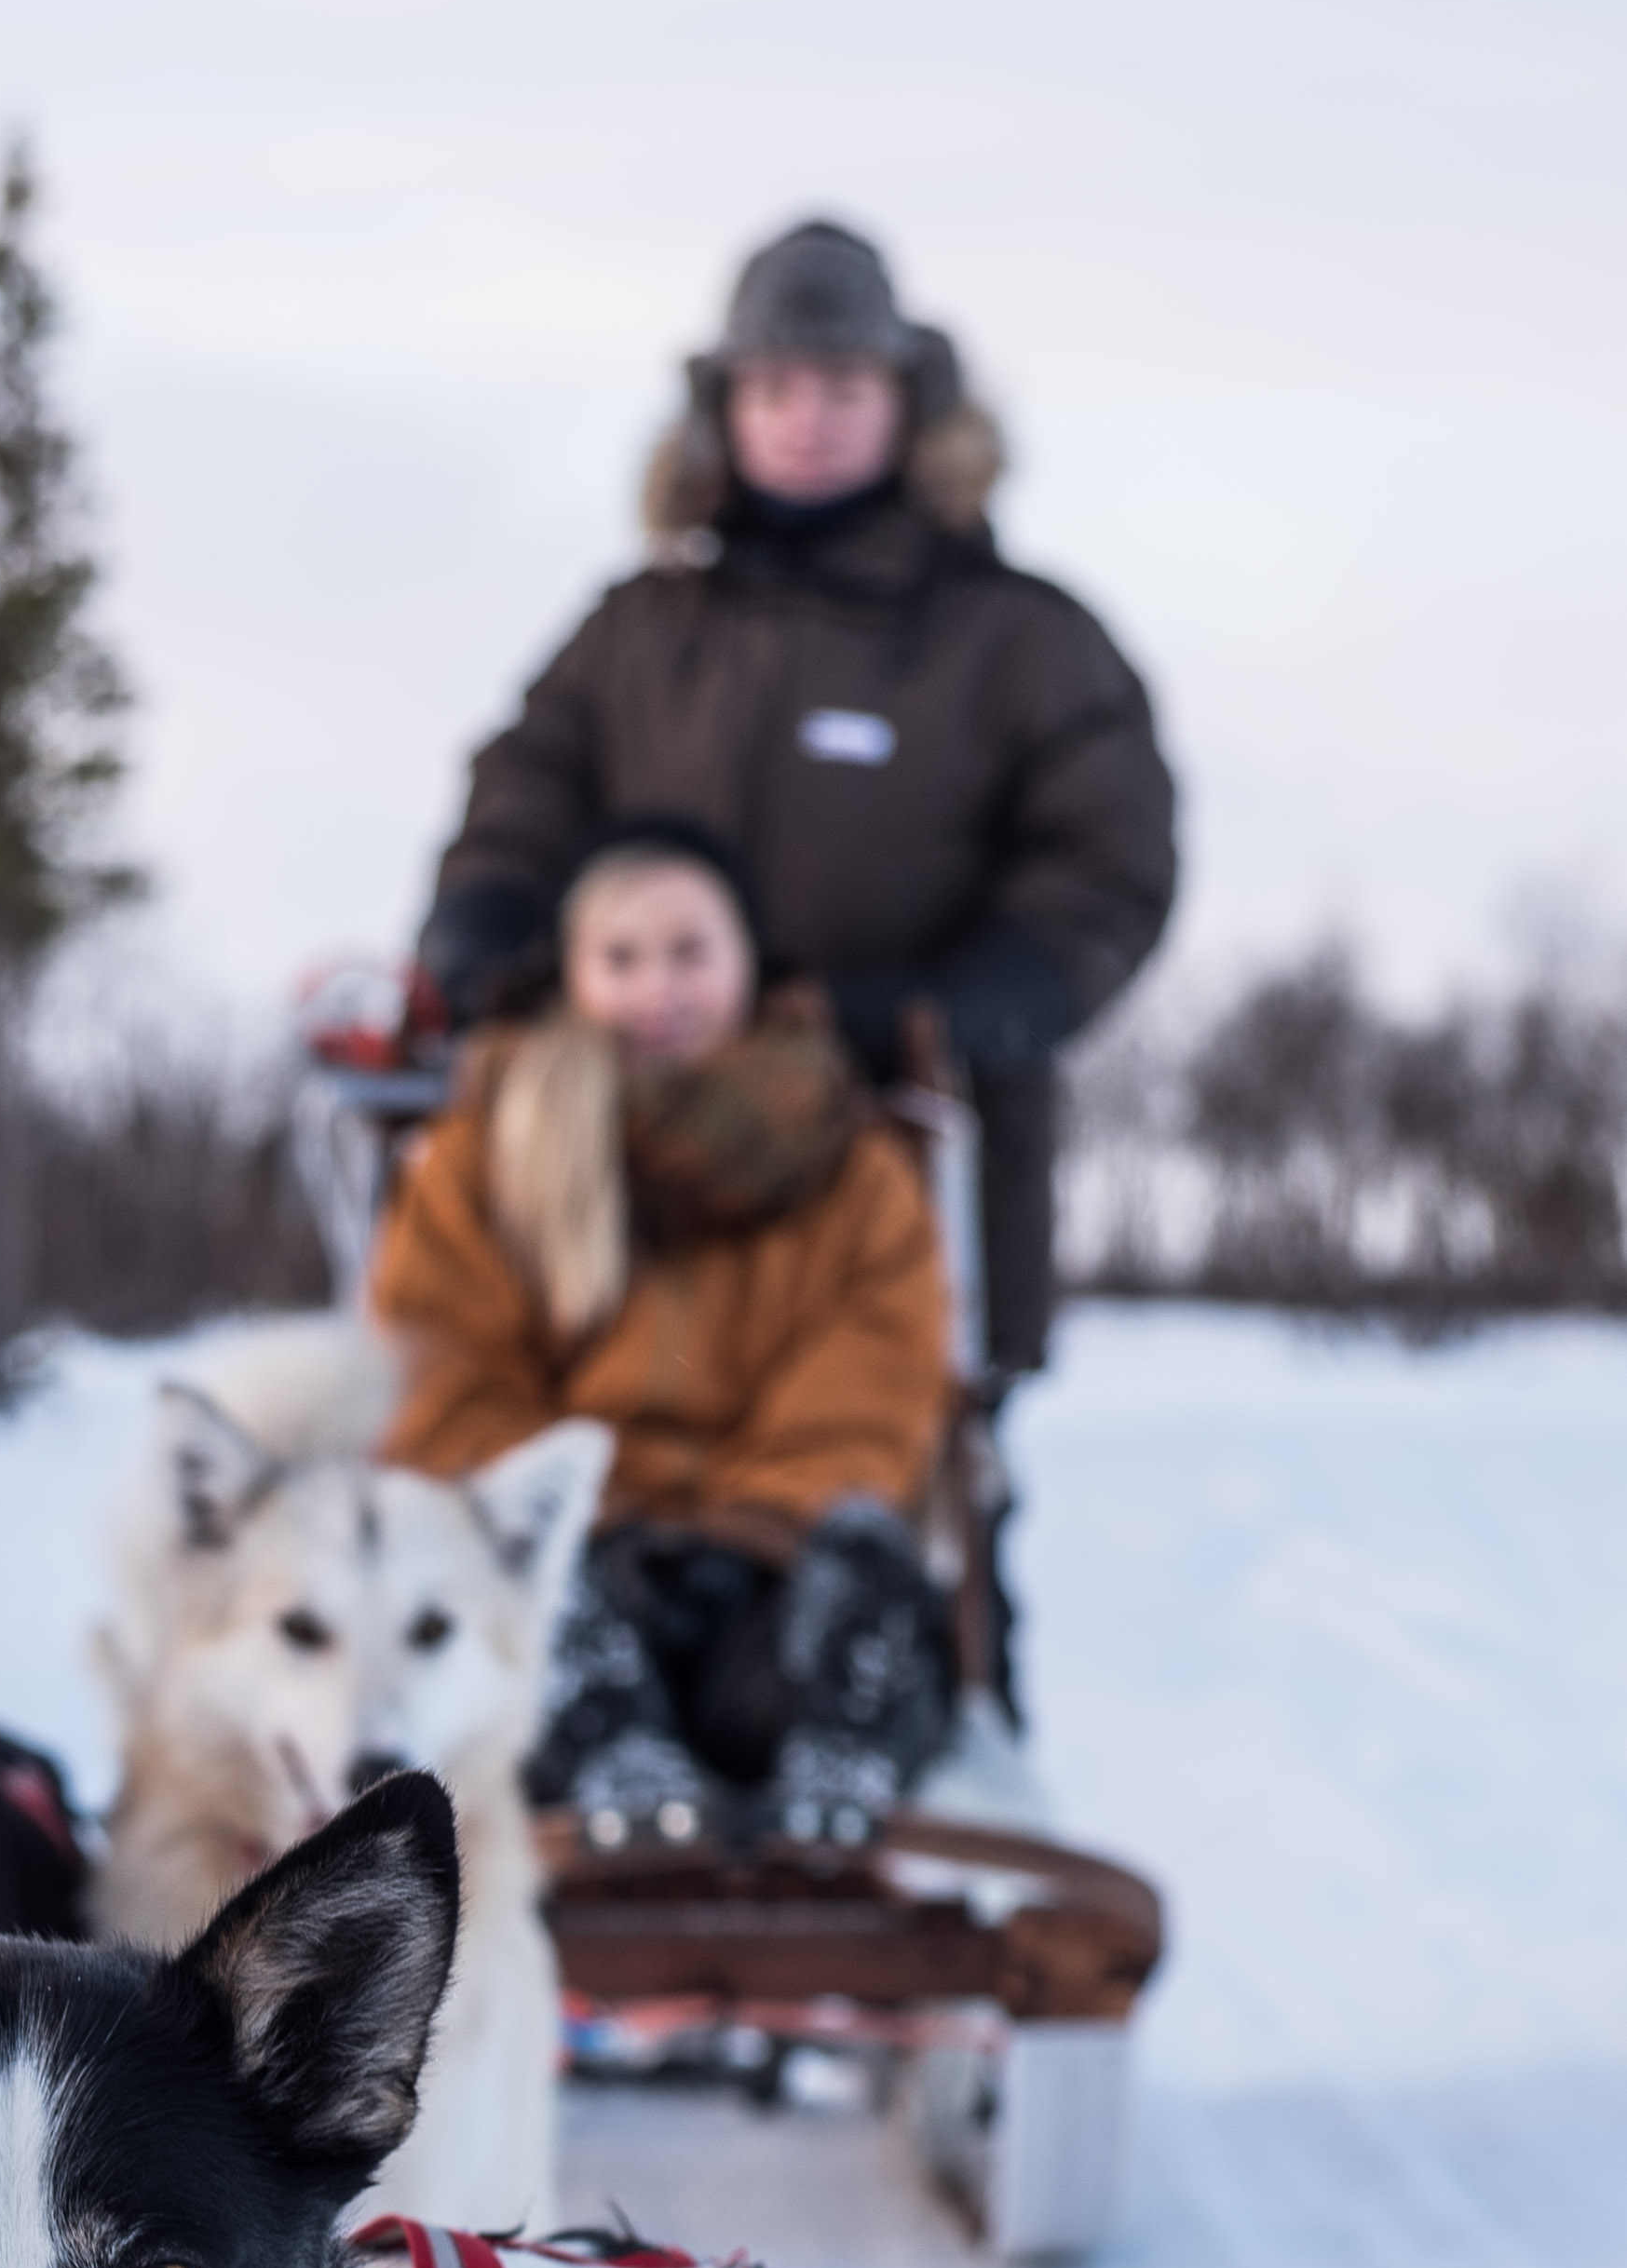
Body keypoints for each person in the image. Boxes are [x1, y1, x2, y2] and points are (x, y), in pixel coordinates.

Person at [414, 219, 1174, 1425]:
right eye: (770, 386)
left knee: (884, 1515)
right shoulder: (639, 630)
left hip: (912, 1167)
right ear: (723, 407)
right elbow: (524, 791)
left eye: (838, 385)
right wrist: (480, 932)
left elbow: (1105, 871)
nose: (803, 416)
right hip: (632, 1178)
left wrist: (951, 1009)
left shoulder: (1022, 640)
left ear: (907, 402)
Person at [374, 817, 955, 1848]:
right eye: (622, 958)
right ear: (573, 972)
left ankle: (837, 1754)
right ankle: (609, 1750)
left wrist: (766, 1525)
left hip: (776, 1568)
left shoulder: (856, 1165)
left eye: (691, 953)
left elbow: (879, 1370)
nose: (660, 990)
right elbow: (442, 1366)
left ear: (747, 961)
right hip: (579, 1564)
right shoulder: (487, 1153)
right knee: (528, 1617)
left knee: (869, 1581)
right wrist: (577, 1521)